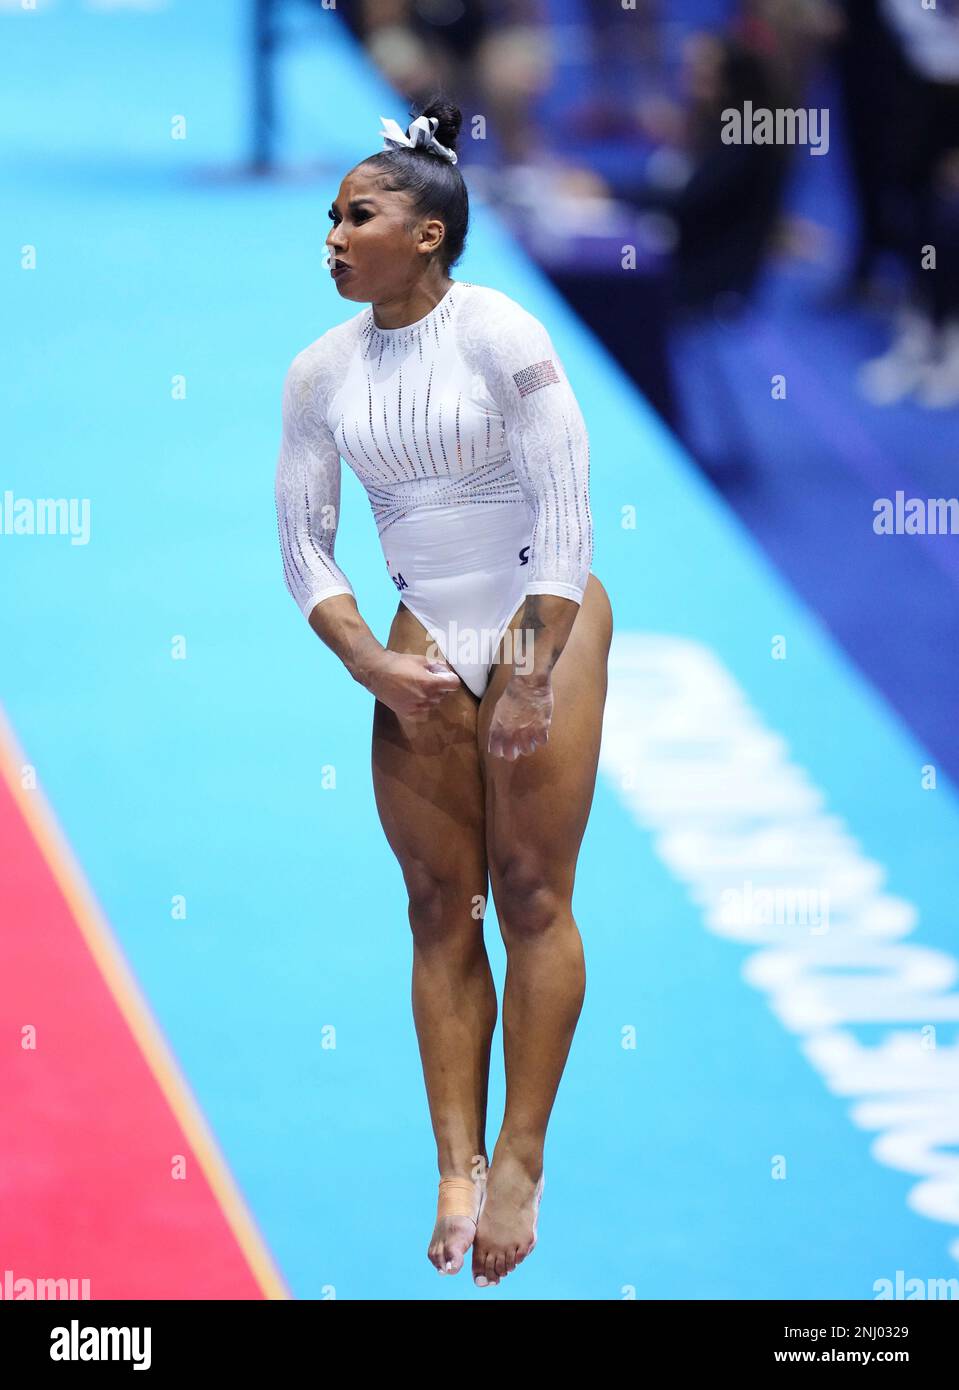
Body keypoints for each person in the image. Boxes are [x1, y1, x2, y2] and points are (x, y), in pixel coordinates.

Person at [274, 95, 613, 1288]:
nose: (332, 237)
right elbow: (304, 545)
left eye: (355, 216)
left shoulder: (501, 333)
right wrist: (367, 660)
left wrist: (529, 673)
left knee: (528, 890)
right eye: (329, 219)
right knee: (436, 904)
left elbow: (566, 512)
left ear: (426, 234)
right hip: (423, 622)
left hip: (541, 609)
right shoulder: (318, 372)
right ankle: (455, 1162)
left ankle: (520, 1153)